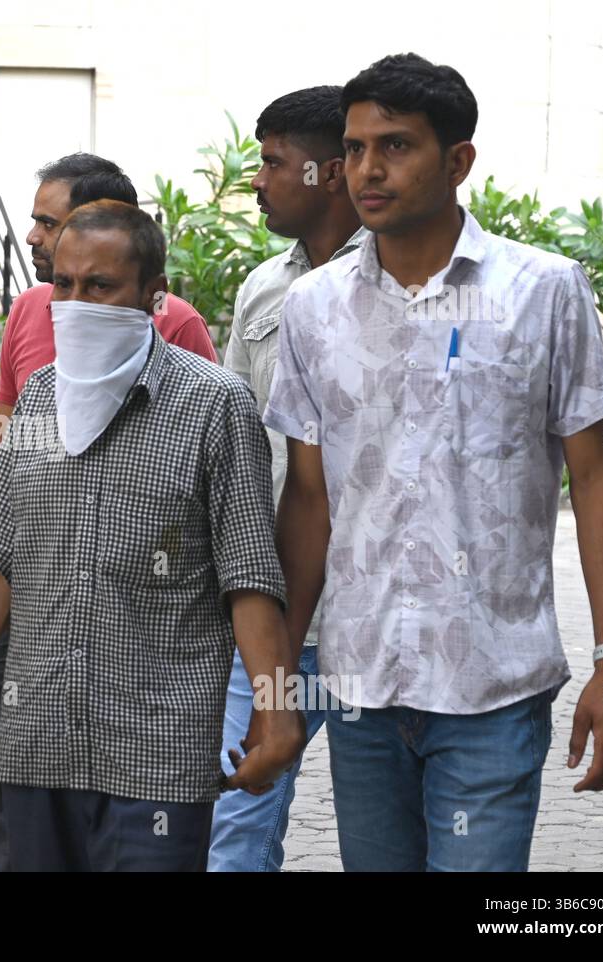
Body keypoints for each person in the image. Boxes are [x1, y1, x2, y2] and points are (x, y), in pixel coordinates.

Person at [266, 53, 603, 871]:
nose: (368, 169)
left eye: (395, 146)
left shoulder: (544, 291)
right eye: (356, 148)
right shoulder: (312, 309)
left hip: (494, 688)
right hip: (359, 685)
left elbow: (597, 471)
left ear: (459, 160)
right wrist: (276, 688)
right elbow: (307, 499)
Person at [0, 201, 306, 872]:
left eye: (101, 287)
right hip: (35, 748)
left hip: (157, 754)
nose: (77, 302)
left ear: (153, 294)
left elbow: (250, 577)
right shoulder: (38, 399)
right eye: (65, 285)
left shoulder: (215, 403)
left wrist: (278, 710)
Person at [0, 152, 220, 872]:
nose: (39, 240)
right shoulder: (30, 322)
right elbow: (9, 431)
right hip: (35, 631)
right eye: (43, 233)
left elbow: (236, 551)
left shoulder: (195, 360)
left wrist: (271, 699)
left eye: (52, 222)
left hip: (147, 679)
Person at [209, 86, 366, 872]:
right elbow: (240, 437)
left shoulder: (402, 282)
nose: (257, 181)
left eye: (273, 163)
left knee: (383, 836)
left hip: (379, 624)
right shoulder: (265, 287)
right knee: (235, 823)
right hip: (274, 618)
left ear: (329, 172)